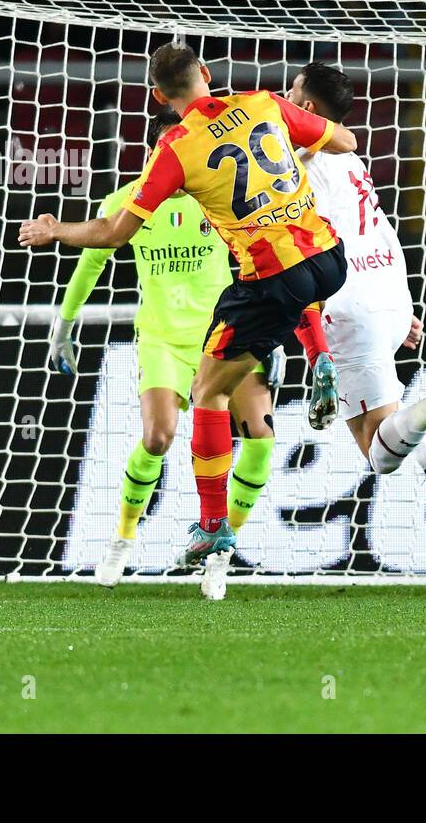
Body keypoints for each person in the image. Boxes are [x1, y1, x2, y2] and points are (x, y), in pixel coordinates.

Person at [21, 42, 356, 599]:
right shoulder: (263, 102)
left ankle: (212, 528)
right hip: (329, 259)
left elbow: (112, 234)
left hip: (270, 278)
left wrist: (56, 229)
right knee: (282, 301)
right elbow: (342, 139)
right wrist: (293, 150)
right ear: (206, 73)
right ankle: (318, 355)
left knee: (207, 393)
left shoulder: (176, 149)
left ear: (159, 96)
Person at [47, 107, 280, 590]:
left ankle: (221, 552)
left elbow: (261, 254)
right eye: (162, 152)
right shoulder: (129, 202)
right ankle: (122, 540)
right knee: (158, 438)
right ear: (153, 155)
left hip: (223, 336)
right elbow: (90, 265)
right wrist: (64, 324)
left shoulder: (217, 198)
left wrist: (273, 333)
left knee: (260, 435)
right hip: (161, 340)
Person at [286, 62, 426, 507]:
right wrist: (403, 308)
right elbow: (379, 230)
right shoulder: (352, 161)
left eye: (290, 92)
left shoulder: (296, 167)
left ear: (305, 107)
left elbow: (306, 249)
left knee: (377, 454)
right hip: (389, 296)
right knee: (383, 425)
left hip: (350, 308)